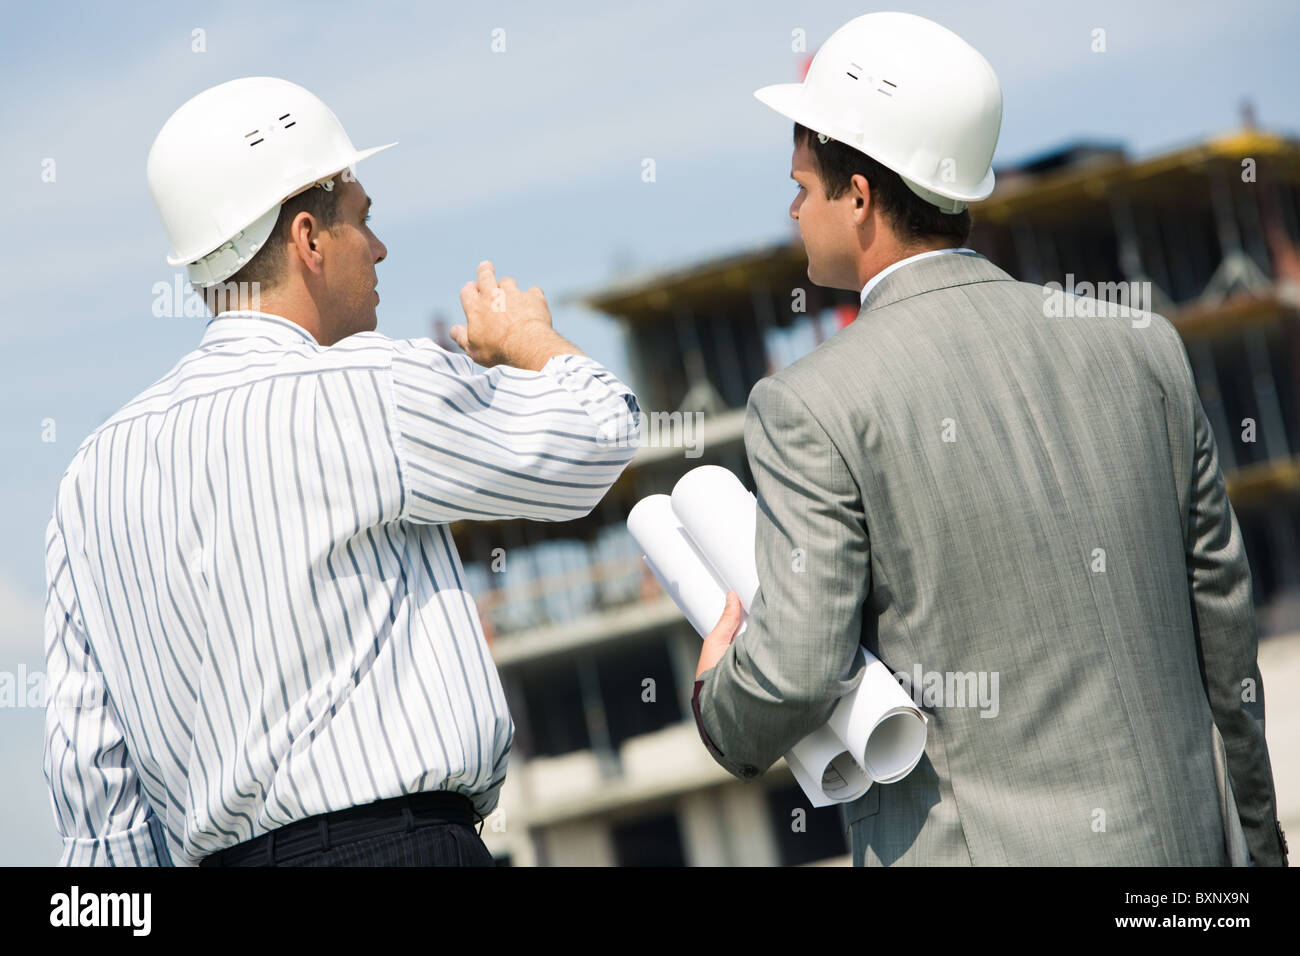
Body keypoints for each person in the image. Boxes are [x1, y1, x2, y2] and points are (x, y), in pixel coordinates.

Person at [691, 13, 1288, 866]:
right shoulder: (1143, 347)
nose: (792, 209)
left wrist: (719, 698)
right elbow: (1226, 644)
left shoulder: (809, 404)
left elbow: (795, 668)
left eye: (802, 185)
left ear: (859, 195)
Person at [42, 77, 640, 866]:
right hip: (399, 848)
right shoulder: (367, 388)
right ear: (308, 240)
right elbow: (600, 432)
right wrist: (529, 339)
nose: (380, 247)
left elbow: (98, 806)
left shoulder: (90, 478)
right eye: (363, 219)